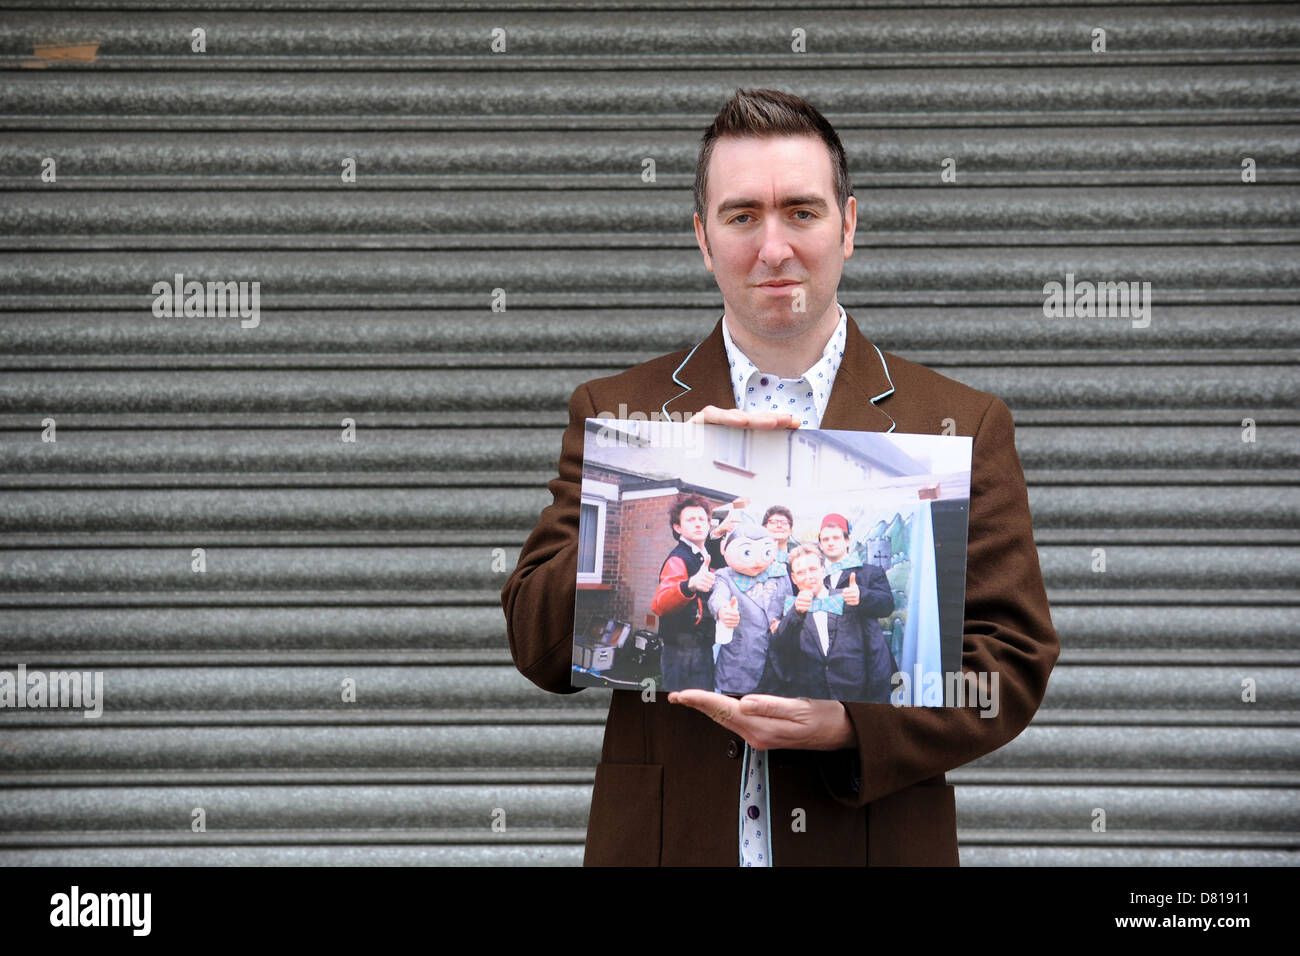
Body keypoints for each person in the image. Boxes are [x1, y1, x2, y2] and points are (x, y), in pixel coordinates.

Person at [502, 87, 1058, 866]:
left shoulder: (960, 423)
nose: (773, 248)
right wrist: (659, 464)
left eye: (802, 212)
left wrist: (853, 727)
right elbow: (536, 641)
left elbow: (1012, 663)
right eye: (741, 216)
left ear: (849, 225)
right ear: (702, 237)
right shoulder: (620, 411)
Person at [768, 544, 897, 703]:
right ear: (793, 578)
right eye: (801, 572)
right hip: (812, 701)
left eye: (813, 569)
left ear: (823, 571)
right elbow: (780, 651)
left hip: (856, 697)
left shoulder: (850, 599)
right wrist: (795, 614)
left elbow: (876, 652)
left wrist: (876, 701)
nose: (809, 576)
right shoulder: (789, 609)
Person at [707, 522, 792, 696]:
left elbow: (789, 606)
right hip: (739, 667)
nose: (757, 560)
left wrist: (785, 623)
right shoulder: (725, 576)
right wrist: (723, 611)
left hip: (776, 667)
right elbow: (717, 597)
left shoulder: (780, 573)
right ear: (725, 549)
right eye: (747, 552)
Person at [649, 495, 723, 692]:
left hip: (703, 647)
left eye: (703, 519)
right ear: (677, 527)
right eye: (691, 520)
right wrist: (689, 584)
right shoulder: (678, 559)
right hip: (681, 652)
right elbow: (659, 604)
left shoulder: (704, 555)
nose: (699, 524)